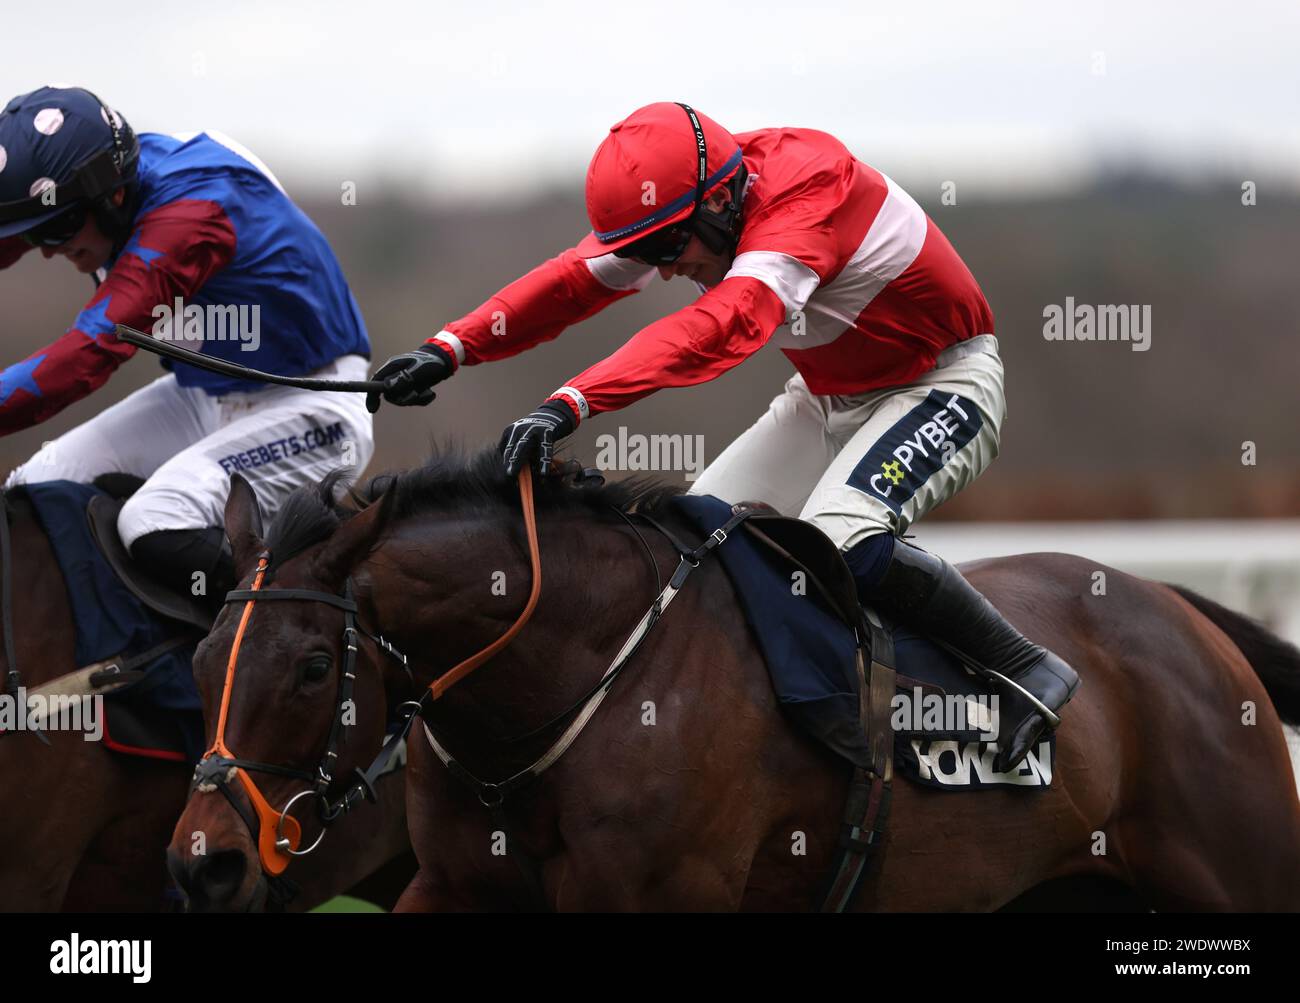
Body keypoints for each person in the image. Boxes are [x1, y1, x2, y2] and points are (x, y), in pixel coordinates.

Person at [367, 102, 1077, 771]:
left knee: (842, 535)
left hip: (943, 386)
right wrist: (449, 348)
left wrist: (572, 401)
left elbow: (718, 330)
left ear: (718, 201)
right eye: (651, 251)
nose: (669, 268)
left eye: (670, 249)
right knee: (697, 545)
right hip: (827, 399)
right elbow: (570, 283)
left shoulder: (807, 194)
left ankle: (1023, 667)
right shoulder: (692, 201)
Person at [0, 86, 374, 599]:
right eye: (38, 233)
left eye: (58, 229)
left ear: (112, 196)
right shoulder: (109, 180)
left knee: (155, 521)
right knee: (33, 489)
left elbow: (86, 355)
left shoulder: (190, 215)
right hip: (207, 393)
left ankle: (261, 659)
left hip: (313, 402)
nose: (50, 250)